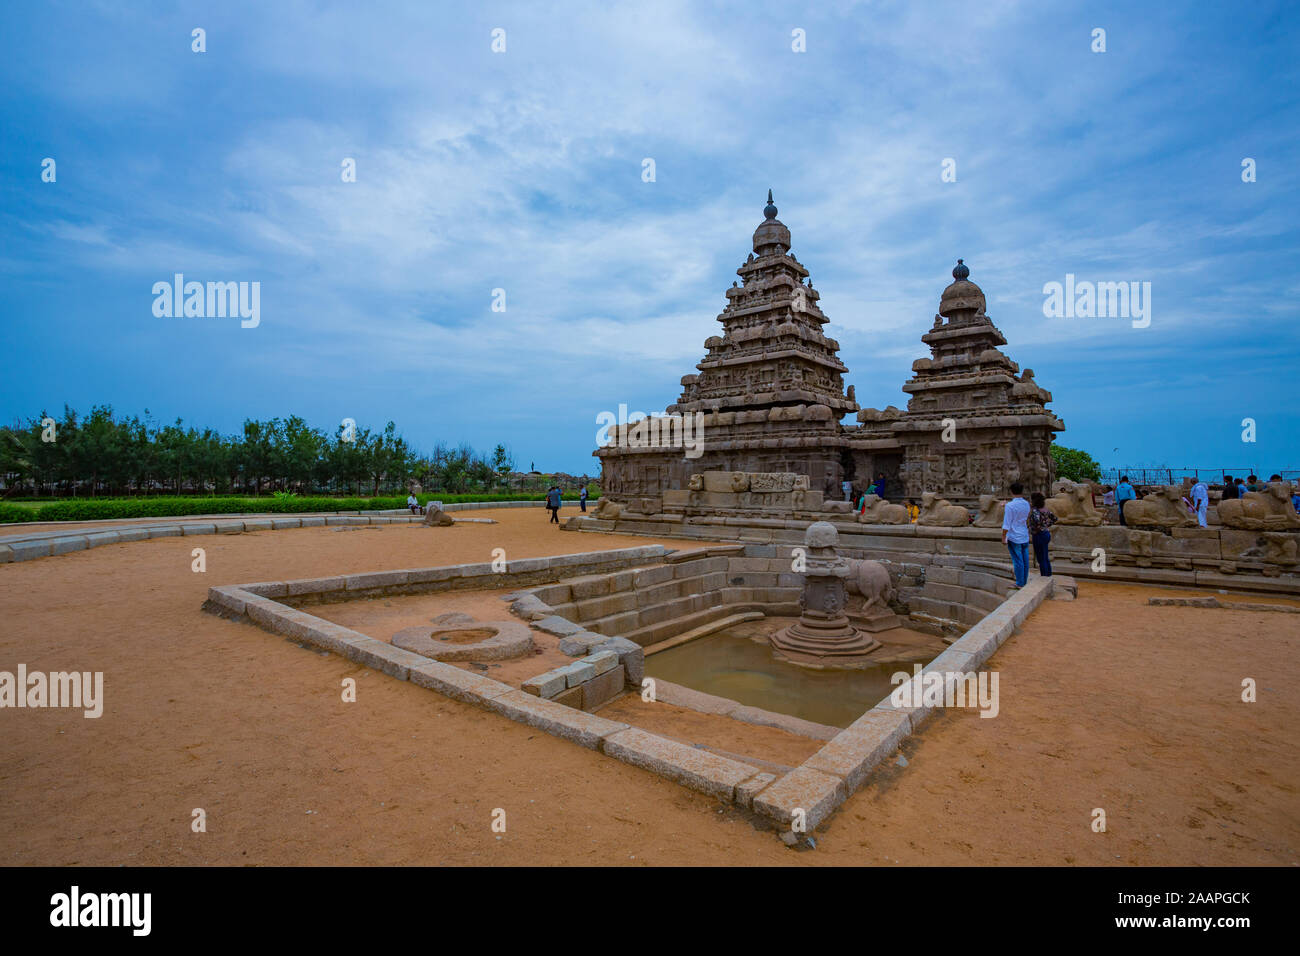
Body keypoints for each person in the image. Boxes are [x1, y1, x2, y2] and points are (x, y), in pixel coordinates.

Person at [1002, 482, 1031, 588]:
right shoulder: (1026, 504)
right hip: (1024, 535)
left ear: (1011, 491)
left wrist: (1003, 537)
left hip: (1014, 536)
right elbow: (1026, 518)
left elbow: (1006, 524)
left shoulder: (1010, 506)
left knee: (1018, 561)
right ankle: (1024, 581)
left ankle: (1019, 583)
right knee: (1025, 560)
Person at [1028, 492, 1057, 577]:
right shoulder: (1045, 510)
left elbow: (1037, 521)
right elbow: (1055, 518)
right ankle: (1048, 574)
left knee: (1041, 558)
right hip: (1046, 533)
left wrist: (1036, 528)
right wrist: (1047, 525)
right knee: (1045, 556)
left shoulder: (1035, 511)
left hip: (1039, 535)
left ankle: (1044, 576)